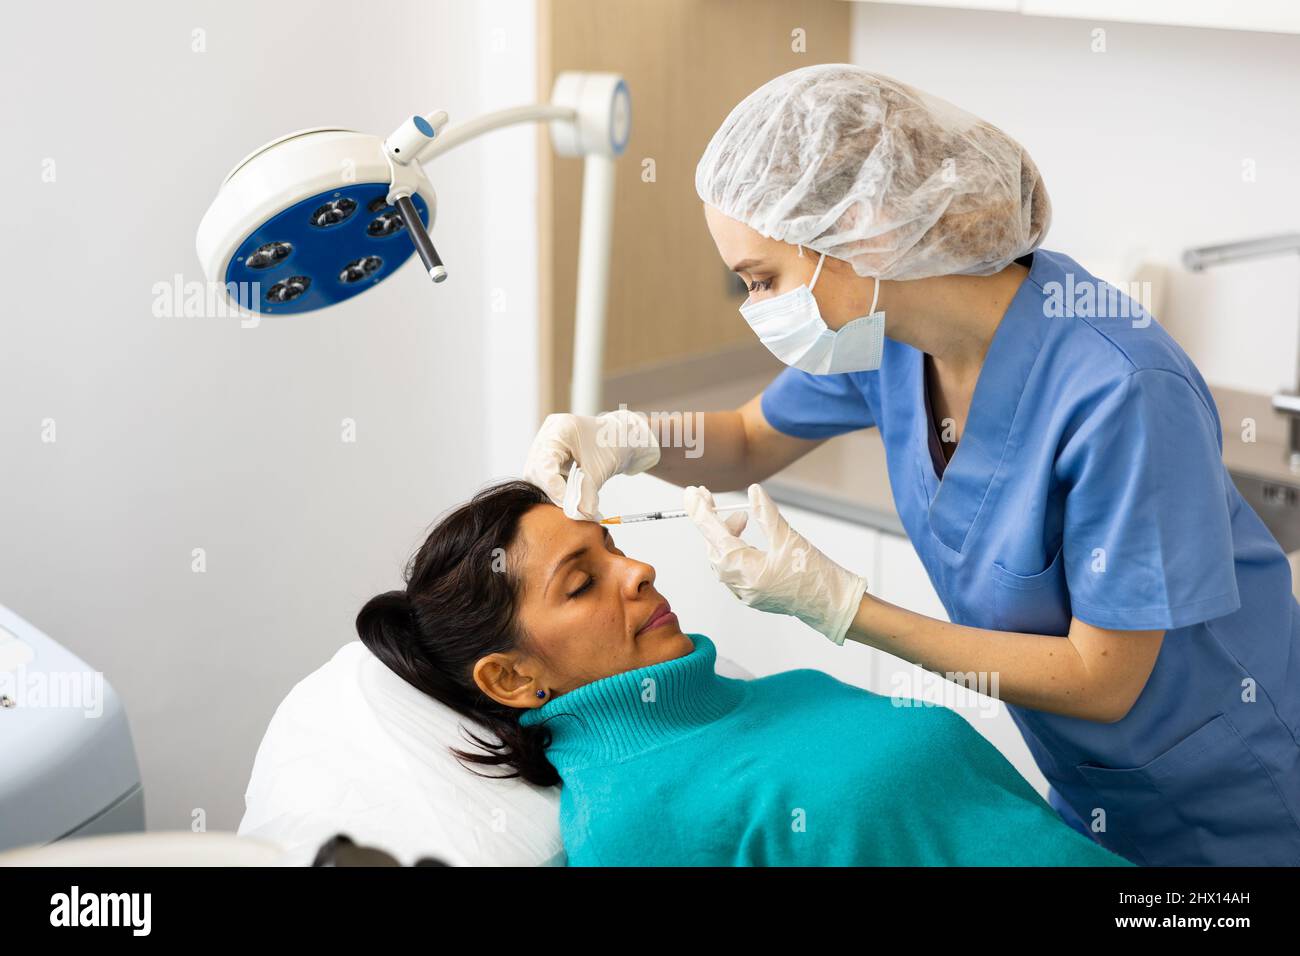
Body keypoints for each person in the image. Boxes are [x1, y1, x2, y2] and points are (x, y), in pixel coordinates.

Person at [522, 64, 1300, 866]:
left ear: (863, 232)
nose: (756, 309)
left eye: (764, 279)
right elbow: (753, 439)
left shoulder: (1120, 392)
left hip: (1238, 796)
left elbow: (1103, 679)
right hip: (1091, 788)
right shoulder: (887, 335)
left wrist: (842, 608)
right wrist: (631, 438)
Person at [355, 479, 1130, 866]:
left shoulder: (782, 693)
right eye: (582, 582)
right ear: (513, 680)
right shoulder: (628, 820)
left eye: (613, 546)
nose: (639, 571)